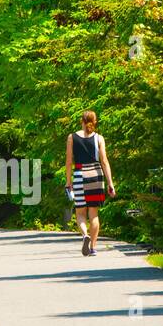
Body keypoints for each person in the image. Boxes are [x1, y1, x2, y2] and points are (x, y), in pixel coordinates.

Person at [65, 110, 116, 256]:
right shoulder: (99, 138)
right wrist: (110, 183)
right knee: (94, 213)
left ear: (81, 121)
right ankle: (93, 247)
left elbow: (69, 162)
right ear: (95, 122)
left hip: (80, 174)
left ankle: (84, 235)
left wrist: (68, 182)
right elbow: (104, 161)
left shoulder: (72, 137)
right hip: (96, 175)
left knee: (80, 212)